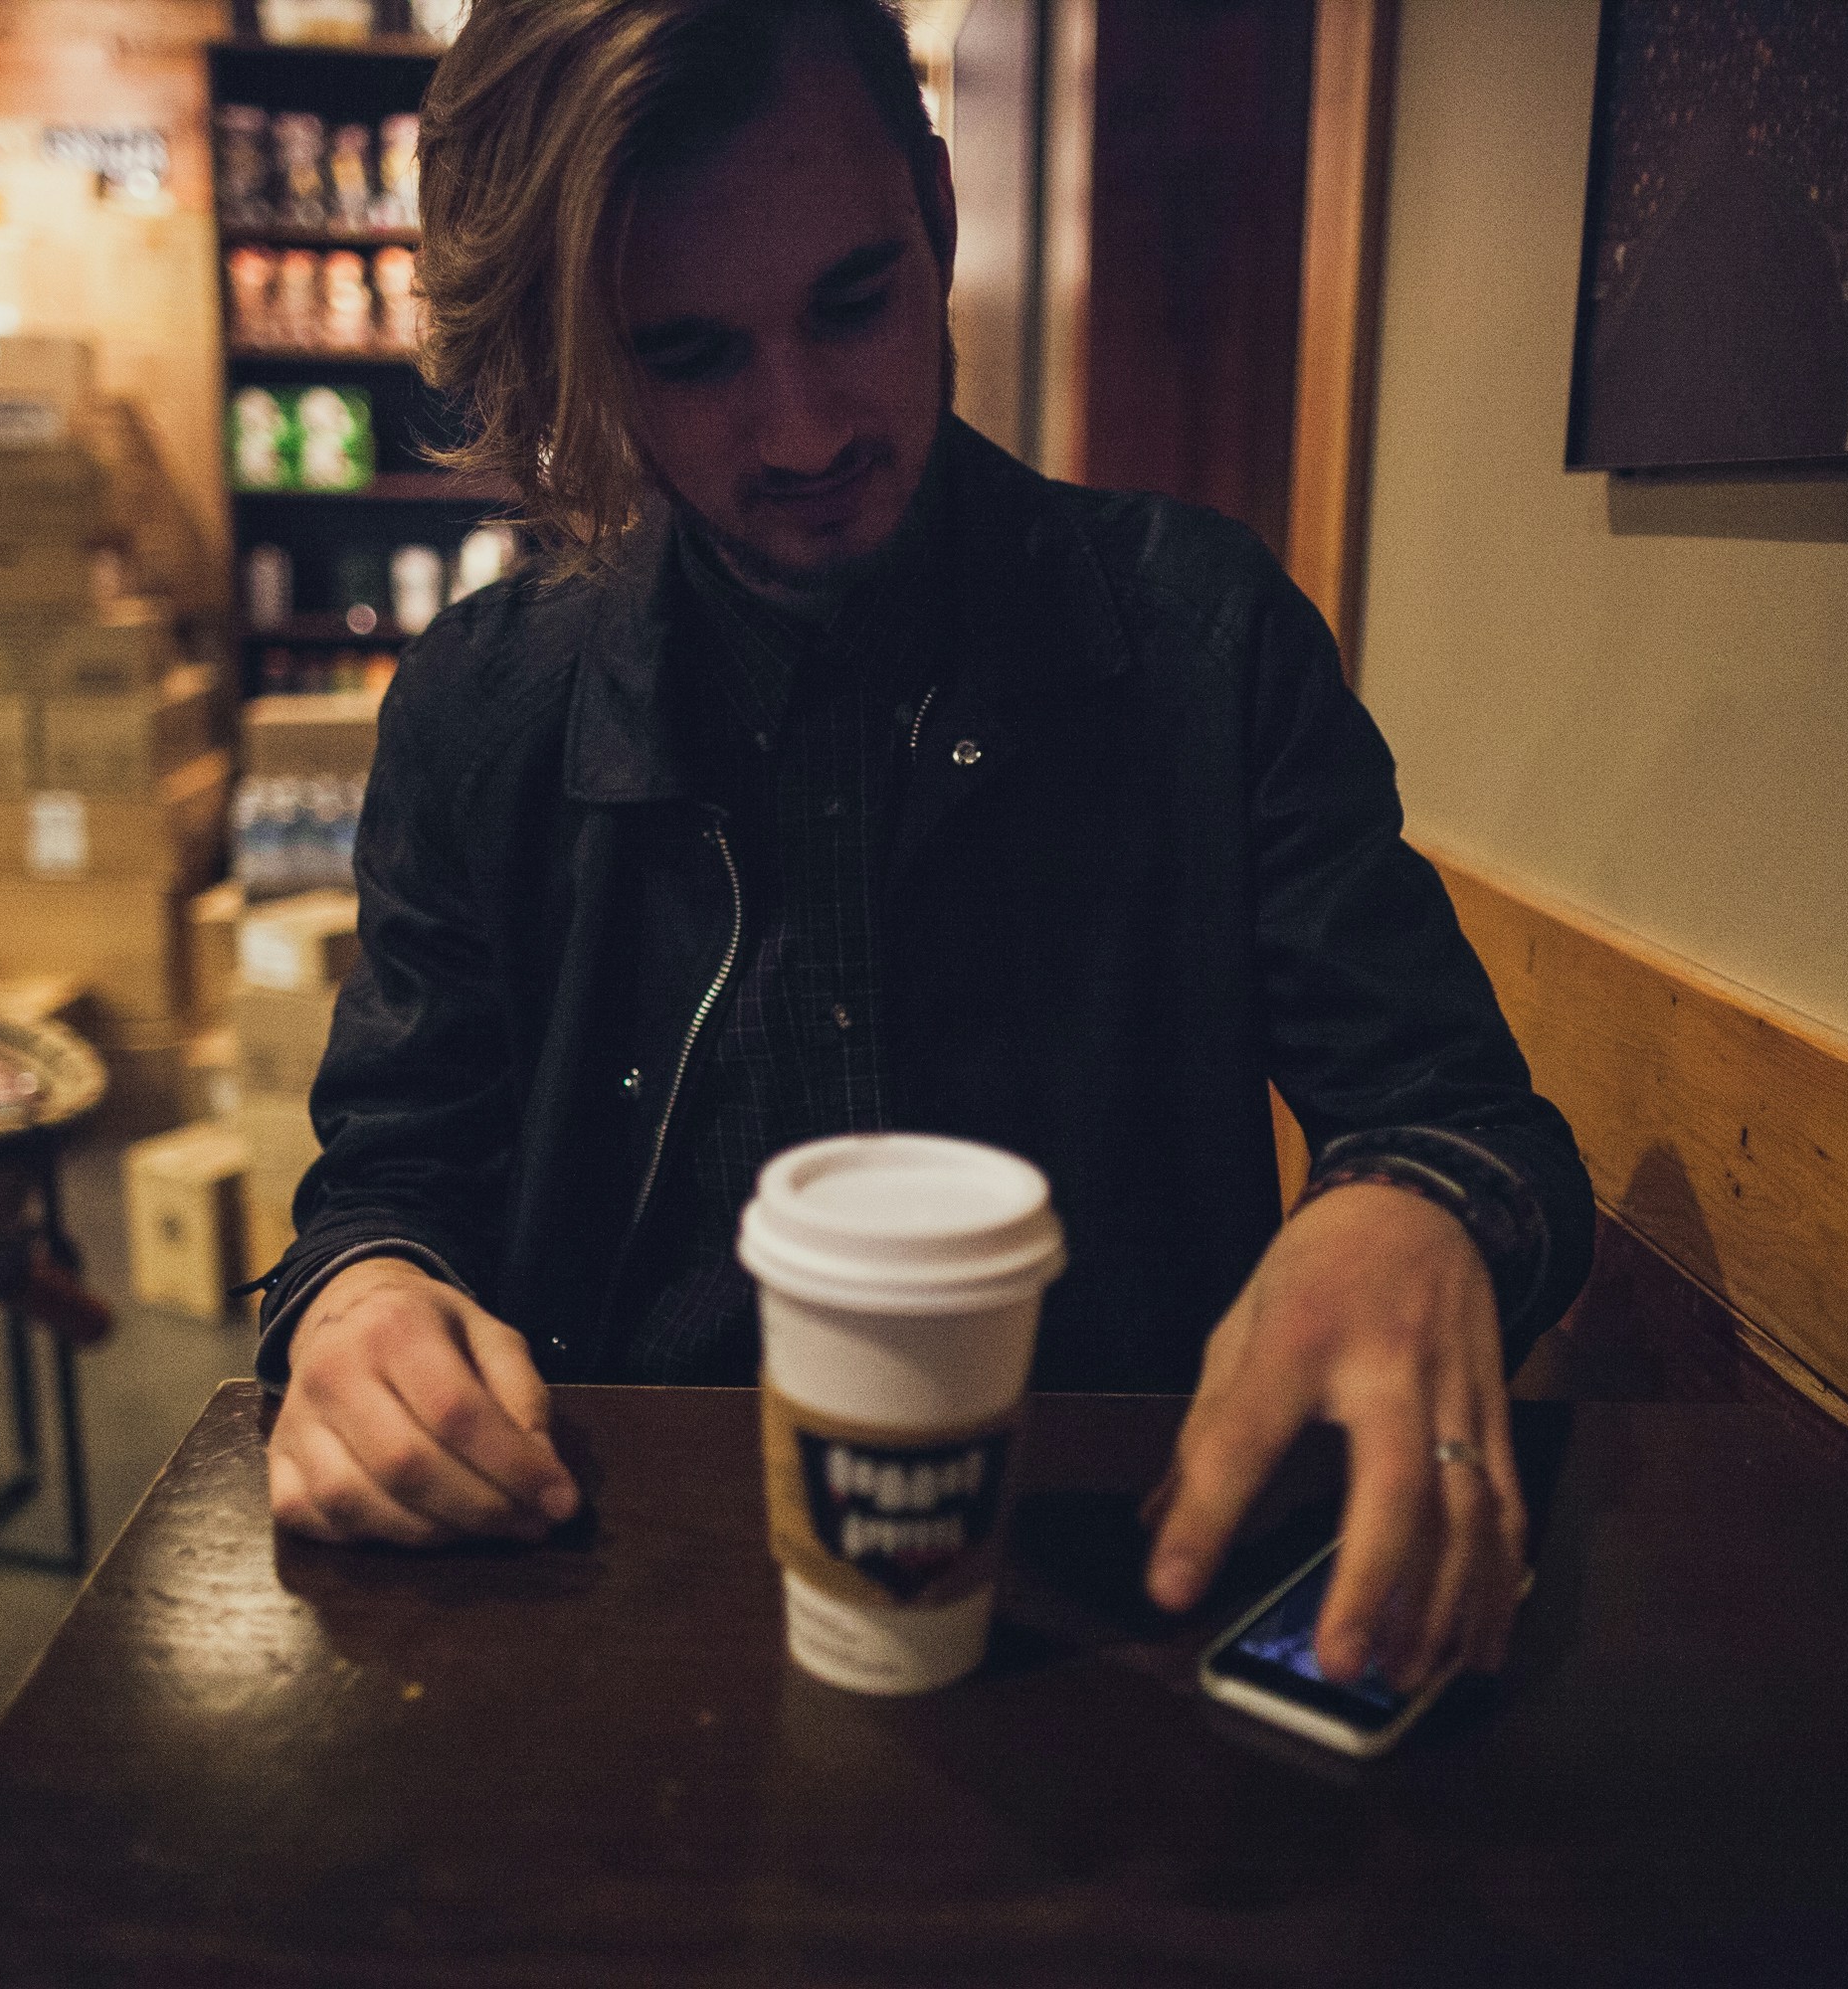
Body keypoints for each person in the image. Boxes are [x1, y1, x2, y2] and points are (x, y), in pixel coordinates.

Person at [256, 0, 1595, 1696]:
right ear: (588, 355)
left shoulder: (1204, 636)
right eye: (693, 355)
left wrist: (1417, 1214)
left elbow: (1472, 1127)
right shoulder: (478, 711)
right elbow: (383, 1180)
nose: (806, 430)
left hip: (1118, 1633)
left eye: (854, 301)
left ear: (941, 217)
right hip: (599, 1633)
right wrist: (362, 1302)